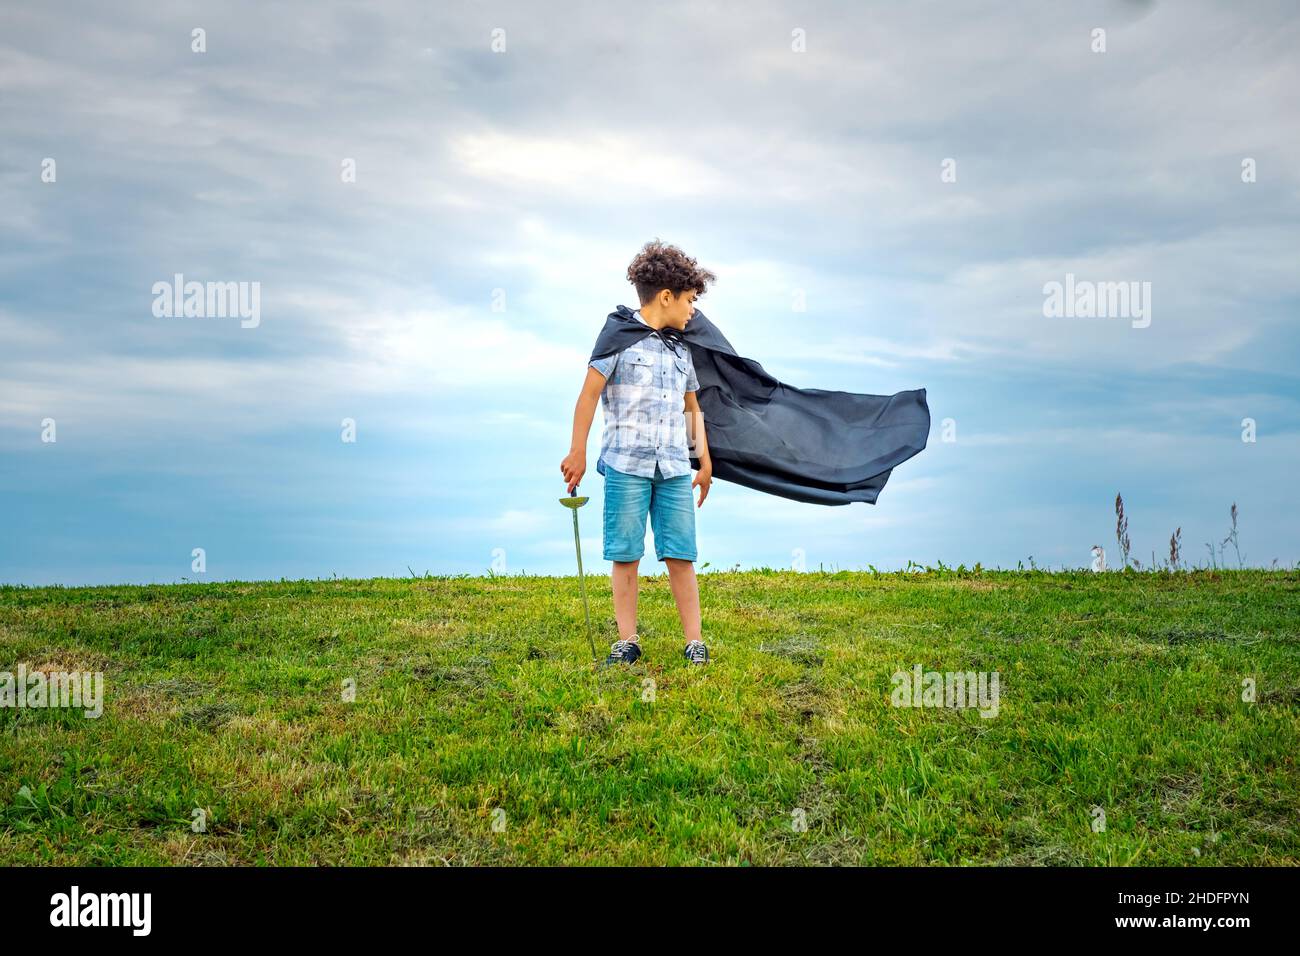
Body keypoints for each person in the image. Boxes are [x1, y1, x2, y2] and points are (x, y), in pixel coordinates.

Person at [560, 240, 715, 666]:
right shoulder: (617, 337)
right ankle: (627, 640)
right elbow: (589, 396)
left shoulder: (681, 349)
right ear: (666, 297)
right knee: (625, 553)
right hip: (626, 464)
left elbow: (691, 409)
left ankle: (694, 642)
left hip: (673, 467)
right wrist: (577, 451)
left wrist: (703, 461)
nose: (692, 311)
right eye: (689, 301)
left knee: (681, 553)